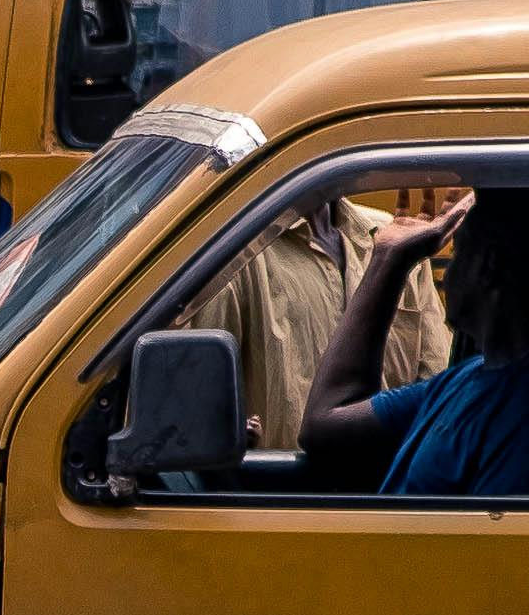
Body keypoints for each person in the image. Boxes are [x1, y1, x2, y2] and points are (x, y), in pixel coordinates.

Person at [302, 180, 529, 499]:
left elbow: (494, 543)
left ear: (488, 266)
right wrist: (389, 258)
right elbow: (325, 429)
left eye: (459, 252)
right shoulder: (470, 376)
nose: (446, 276)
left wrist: (391, 262)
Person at [165, 187, 453, 452]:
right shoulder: (235, 254)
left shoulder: (393, 238)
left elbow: (439, 385)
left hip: (388, 499)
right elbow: (197, 420)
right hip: (287, 499)